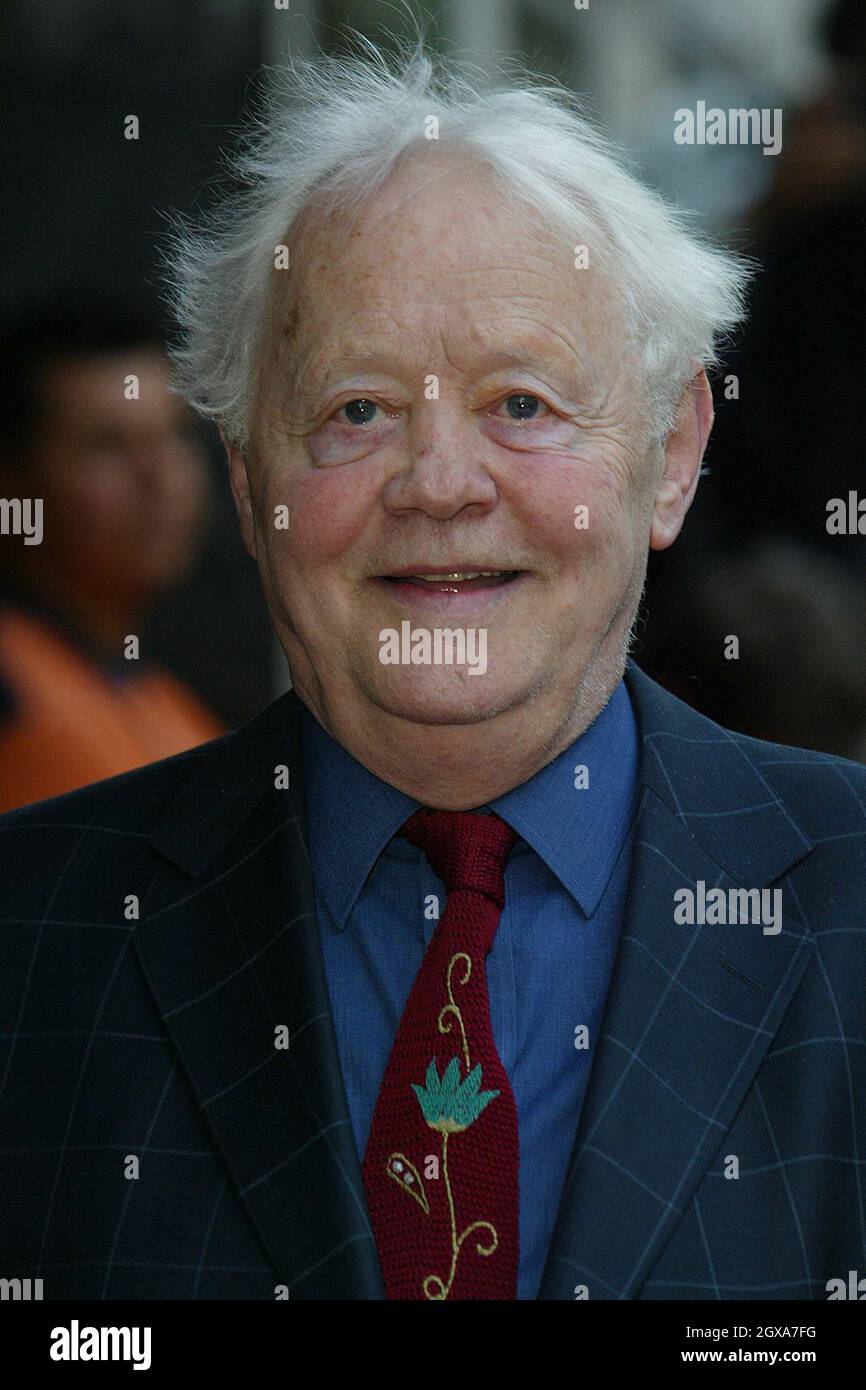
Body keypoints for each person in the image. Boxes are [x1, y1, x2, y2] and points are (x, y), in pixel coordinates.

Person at [0, 39, 863, 1302]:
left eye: (521, 403)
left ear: (670, 455)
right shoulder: (32, 938)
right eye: (355, 410)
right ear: (248, 485)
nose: (442, 484)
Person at [0, 305, 223, 812]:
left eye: (174, 435)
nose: (158, 476)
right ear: (11, 482)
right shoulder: (12, 683)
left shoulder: (172, 707)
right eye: (106, 446)